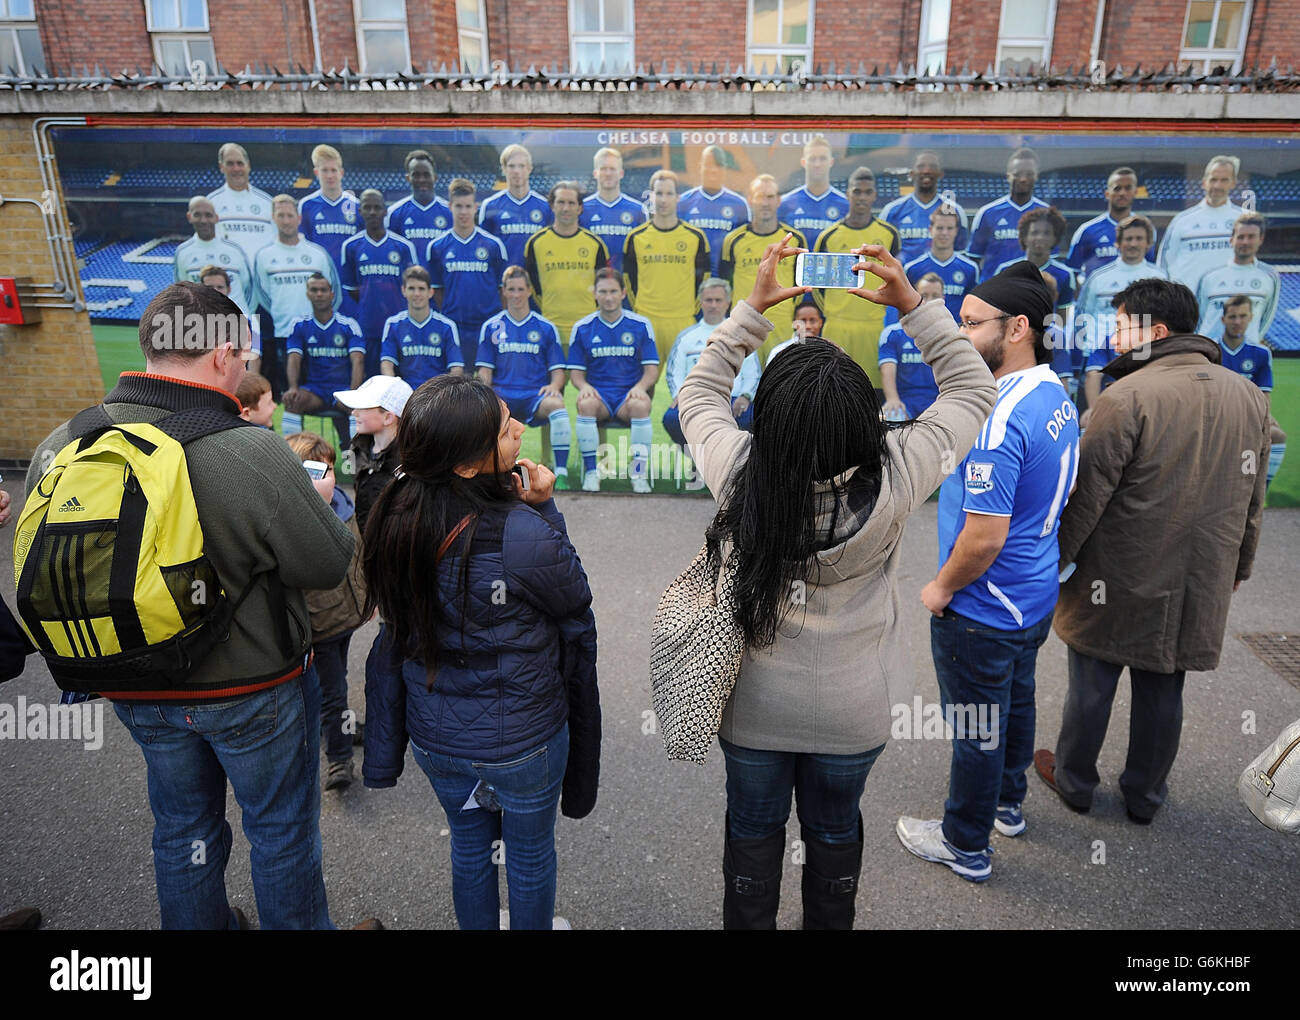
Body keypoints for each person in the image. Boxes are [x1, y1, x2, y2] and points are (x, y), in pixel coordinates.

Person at [678, 234, 995, 929]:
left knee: (752, 835)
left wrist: (753, 309)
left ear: (768, 423)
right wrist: (912, 303)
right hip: (853, 714)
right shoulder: (905, 470)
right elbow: (973, 385)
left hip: (753, 708)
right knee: (834, 831)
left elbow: (698, 390)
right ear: (863, 422)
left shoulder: (736, 471)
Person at [25, 281, 355, 929]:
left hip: (131, 681)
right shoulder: (250, 450)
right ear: (220, 353)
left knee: (182, 829)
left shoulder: (64, 441)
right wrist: (314, 508)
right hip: (253, 687)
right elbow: (326, 564)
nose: (246, 367)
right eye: (245, 355)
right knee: (280, 834)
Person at [360, 374, 597, 930]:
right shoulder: (522, 531)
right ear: (466, 465)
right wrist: (545, 509)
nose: (519, 428)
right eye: (504, 428)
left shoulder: (393, 516)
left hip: (438, 738)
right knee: (530, 854)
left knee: (470, 848)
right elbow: (573, 598)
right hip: (523, 743)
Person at [1035, 277, 1271, 824]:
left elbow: (1087, 499)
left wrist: (1051, 564)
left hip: (1116, 573)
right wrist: (1242, 565)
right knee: (1165, 684)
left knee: (1092, 682)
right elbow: (1251, 499)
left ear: (1155, 332)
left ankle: (1075, 782)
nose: (1114, 339)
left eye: (1120, 327)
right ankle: (1145, 795)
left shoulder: (1127, 396)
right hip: (1199, 575)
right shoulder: (1246, 396)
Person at [896, 261, 1080, 882]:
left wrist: (941, 586)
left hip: (985, 604)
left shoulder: (997, 418)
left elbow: (983, 537)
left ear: (1019, 327)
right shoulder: (1055, 391)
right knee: (1018, 702)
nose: (960, 336)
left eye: (970, 324)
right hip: (1034, 595)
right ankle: (1008, 805)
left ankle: (965, 844)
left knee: (977, 726)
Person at [286, 431, 369, 793]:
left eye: (329, 469)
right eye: (313, 472)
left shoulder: (343, 505)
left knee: (340, 680)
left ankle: (342, 729)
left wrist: (368, 594)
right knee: (331, 692)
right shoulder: (290, 520)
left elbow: (358, 557)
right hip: (318, 625)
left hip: (345, 617)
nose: (326, 479)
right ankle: (338, 757)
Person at [251, 194, 341, 428]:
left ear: (299, 218)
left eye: (290, 215)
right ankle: (294, 448)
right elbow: (263, 296)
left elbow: (335, 292)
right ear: (273, 218)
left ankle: (344, 443)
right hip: (285, 335)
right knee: (292, 396)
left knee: (330, 393)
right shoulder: (264, 256)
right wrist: (285, 317)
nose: (286, 220)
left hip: (319, 337)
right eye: (280, 215)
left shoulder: (317, 254)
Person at [477, 266, 572, 486]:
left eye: (521, 289)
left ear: (529, 291)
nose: (516, 294)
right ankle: (489, 470)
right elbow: (484, 373)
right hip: (502, 395)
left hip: (534, 395)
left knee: (557, 406)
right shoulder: (491, 326)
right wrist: (484, 394)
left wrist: (555, 386)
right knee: (481, 410)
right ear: (504, 291)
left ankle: (561, 472)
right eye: (511, 289)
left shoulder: (545, 327)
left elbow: (558, 372)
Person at [568, 267, 659, 493]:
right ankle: (592, 472)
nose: (608, 297)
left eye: (613, 291)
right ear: (595, 294)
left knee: (641, 405)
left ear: (623, 293)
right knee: (585, 403)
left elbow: (651, 370)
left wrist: (640, 388)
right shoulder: (582, 328)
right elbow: (576, 375)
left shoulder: (640, 325)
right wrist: (585, 387)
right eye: (603, 292)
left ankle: (638, 473)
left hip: (628, 396)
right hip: (599, 396)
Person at [1071, 214, 1166, 416]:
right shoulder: (1099, 278)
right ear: (1118, 243)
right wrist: (1083, 356)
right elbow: (1083, 317)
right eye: (1128, 239)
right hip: (1102, 358)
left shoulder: (1160, 278)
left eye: (1139, 238)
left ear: (1148, 243)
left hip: (1146, 356)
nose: (1133, 243)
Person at [812, 167, 901, 384]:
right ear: (847, 194)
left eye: (867, 192)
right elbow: (816, 286)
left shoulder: (889, 234)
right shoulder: (828, 236)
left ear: (874, 195)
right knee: (834, 389)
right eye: (857, 191)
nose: (862, 197)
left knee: (871, 392)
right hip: (837, 325)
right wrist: (836, 310)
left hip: (874, 326)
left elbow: (896, 280)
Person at [623, 169, 710, 364]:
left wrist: (691, 310)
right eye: (658, 193)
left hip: (682, 320)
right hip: (647, 320)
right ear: (650, 196)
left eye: (669, 193)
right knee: (645, 384)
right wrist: (640, 309)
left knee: (683, 386)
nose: (663, 199)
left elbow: (703, 278)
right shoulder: (635, 237)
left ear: (678, 197)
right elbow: (629, 280)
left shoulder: (695, 237)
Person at [662, 278, 760, 446]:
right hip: (695, 399)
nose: (713, 305)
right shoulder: (686, 337)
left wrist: (745, 396)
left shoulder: (741, 335)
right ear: (700, 302)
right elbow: (673, 374)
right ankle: (697, 459)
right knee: (671, 419)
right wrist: (680, 395)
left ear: (727, 303)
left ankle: (737, 463)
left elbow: (754, 374)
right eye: (708, 300)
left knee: (752, 418)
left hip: (732, 399)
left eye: (718, 300)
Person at [719, 174, 806, 361]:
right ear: (750, 199)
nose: (765, 203)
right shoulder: (733, 240)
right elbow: (724, 285)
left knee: (778, 383)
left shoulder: (795, 239)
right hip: (744, 325)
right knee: (743, 386)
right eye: (759, 196)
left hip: (781, 325)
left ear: (778, 200)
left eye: (770, 197)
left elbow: (803, 286)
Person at [426, 178, 508, 368]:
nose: (463, 212)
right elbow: (437, 291)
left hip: (487, 326)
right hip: (455, 326)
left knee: (488, 383)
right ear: (450, 207)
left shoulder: (493, 245)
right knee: (458, 383)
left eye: (468, 206)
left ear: (475, 207)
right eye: (459, 206)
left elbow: (502, 289)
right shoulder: (437, 247)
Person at [340, 188, 420, 377]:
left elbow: (413, 285)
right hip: (369, 327)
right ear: (360, 212)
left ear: (385, 211)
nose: (373, 212)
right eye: (367, 207)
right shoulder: (351, 247)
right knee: (373, 382)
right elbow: (353, 290)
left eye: (377, 207)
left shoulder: (403, 246)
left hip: (401, 328)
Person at [523, 181, 609, 350]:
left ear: (580, 208)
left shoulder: (595, 244)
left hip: (588, 331)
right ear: (552, 206)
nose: (566, 208)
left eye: (571, 203)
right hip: (551, 330)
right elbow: (533, 287)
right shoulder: (536, 243)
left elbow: (604, 286)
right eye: (561, 202)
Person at [283, 273, 366, 443]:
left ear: (331, 294)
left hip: (342, 389)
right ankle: (292, 459)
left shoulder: (348, 325)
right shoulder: (299, 325)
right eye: (314, 290)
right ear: (308, 294)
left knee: (357, 408)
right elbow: (294, 358)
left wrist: (353, 392)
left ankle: (356, 460)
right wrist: (293, 387)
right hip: (316, 390)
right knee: (293, 401)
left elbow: (358, 361)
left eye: (323, 290)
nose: (319, 294)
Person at [1217, 294, 1287, 488]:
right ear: (1223, 319)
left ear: (1250, 318)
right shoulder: (1211, 350)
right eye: (1232, 317)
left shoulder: (1261, 353)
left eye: (1242, 316)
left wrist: (1265, 416)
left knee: (1277, 435)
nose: (1237, 322)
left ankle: (1262, 489)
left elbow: (1264, 393)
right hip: (1217, 416)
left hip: (1248, 416)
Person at [336, 375, 414, 536]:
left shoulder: (408, 463)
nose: (354, 412)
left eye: (362, 407)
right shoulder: (360, 448)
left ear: (388, 417)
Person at [1158, 154, 1244, 288]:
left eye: (1224, 180)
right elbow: (1164, 263)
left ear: (1233, 183)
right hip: (1188, 303)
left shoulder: (1243, 220)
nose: (1217, 185)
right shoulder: (1182, 220)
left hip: (1228, 303)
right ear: (1204, 182)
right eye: (1213, 179)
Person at [1194, 212, 1279, 343]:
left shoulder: (1269, 276)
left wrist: (1251, 344)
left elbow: (1266, 318)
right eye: (1241, 237)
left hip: (1246, 355)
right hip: (1211, 352)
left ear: (1260, 239)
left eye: (1251, 237)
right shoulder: (1210, 276)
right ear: (1231, 240)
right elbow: (1198, 317)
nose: (1245, 242)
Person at [968, 147, 1050, 283]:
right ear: (1008, 176)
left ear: (1036, 176)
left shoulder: (1046, 214)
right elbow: (974, 258)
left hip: (1031, 289)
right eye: (1018, 174)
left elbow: (1051, 260)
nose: (1023, 179)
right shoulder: (987, 213)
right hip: (994, 291)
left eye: (1029, 174)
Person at [380, 265, 465, 390]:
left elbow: (456, 369)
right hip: (406, 393)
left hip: (437, 394)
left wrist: (445, 396)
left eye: (421, 289)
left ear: (430, 292)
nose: (416, 294)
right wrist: (395, 391)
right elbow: (387, 365)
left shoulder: (447, 326)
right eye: (411, 288)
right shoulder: (393, 324)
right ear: (403, 290)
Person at [881, 150, 969, 263]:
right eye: (921, 166)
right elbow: (883, 253)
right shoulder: (891, 211)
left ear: (940, 174)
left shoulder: (954, 210)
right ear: (912, 173)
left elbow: (960, 254)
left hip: (940, 278)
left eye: (932, 166)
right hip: (903, 279)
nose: (927, 171)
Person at [175, 196, 255, 317]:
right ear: (189, 217)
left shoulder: (235, 250)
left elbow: (250, 290)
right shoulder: (182, 252)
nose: (203, 220)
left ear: (216, 218)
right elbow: (183, 292)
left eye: (208, 215)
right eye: (197, 215)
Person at [878, 273, 944, 420]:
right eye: (924, 295)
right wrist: (892, 399)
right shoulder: (893, 333)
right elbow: (887, 372)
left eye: (935, 295)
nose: (929, 301)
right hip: (904, 401)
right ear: (915, 297)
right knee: (889, 418)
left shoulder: (950, 334)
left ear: (943, 299)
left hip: (940, 402)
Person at [678, 145, 750, 276]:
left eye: (718, 165)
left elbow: (745, 247)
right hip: (690, 280)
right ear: (700, 167)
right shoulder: (683, 202)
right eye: (708, 164)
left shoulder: (739, 205)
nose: (713, 170)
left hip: (725, 281)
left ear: (725, 169)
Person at [478, 143, 553, 268]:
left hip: (534, 282)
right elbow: (483, 248)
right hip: (503, 283)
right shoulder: (490, 206)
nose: (516, 171)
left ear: (530, 168)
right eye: (511, 166)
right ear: (503, 169)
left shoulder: (545, 206)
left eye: (521, 166)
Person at [1065, 166, 1148, 279]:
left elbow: (1150, 265)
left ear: (1135, 192)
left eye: (1128, 188)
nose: (1122, 193)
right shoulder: (1087, 230)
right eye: (1117, 188)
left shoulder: (1146, 229)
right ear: (1107, 194)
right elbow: (1072, 272)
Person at [207, 142, 276, 270]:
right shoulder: (211, 203)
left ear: (248, 166)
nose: (236, 168)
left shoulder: (267, 203)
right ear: (221, 167)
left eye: (240, 163)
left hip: (260, 279)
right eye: (230, 163)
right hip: (227, 281)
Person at [903, 205, 978, 322]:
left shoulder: (970, 268)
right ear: (930, 230)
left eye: (949, 228)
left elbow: (972, 309)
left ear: (956, 231)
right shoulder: (913, 268)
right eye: (939, 228)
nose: (944, 233)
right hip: (922, 333)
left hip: (956, 334)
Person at [992, 206, 1075, 312]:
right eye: (1034, 232)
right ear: (1024, 238)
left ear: (1055, 239)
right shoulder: (1005, 270)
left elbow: (1062, 317)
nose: (1040, 237)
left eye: (1046, 233)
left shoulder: (1065, 274)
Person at [579, 146, 645, 274]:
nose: (608, 174)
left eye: (612, 169)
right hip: (592, 286)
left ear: (621, 173)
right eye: (603, 169)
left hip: (626, 285)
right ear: (595, 173)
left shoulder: (637, 210)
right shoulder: (582, 209)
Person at [297, 144, 360, 275]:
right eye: (324, 170)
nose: (330, 175)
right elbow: (303, 245)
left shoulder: (356, 205)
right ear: (316, 173)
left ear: (341, 172)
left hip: (349, 279)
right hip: (319, 279)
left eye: (333, 170)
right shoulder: (307, 205)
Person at [778, 134, 847, 251]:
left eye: (822, 158)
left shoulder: (845, 205)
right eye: (812, 159)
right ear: (803, 162)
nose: (817, 164)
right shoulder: (785, 203)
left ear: (831, 162)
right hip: (795, 268)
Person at [198, 263, 262, 374]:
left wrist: (247, 388)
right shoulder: (191, 322)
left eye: (220, 287)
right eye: (210, 287)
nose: (215, 291)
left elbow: (253, 357)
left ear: (229, 289)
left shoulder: (250, 321)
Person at [386, 149, 452, 251]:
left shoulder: (450, 212)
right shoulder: (394, 213)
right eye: (416, 175)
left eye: (426, 175)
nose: (422, 179)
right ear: (408, 178)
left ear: (435, 177)